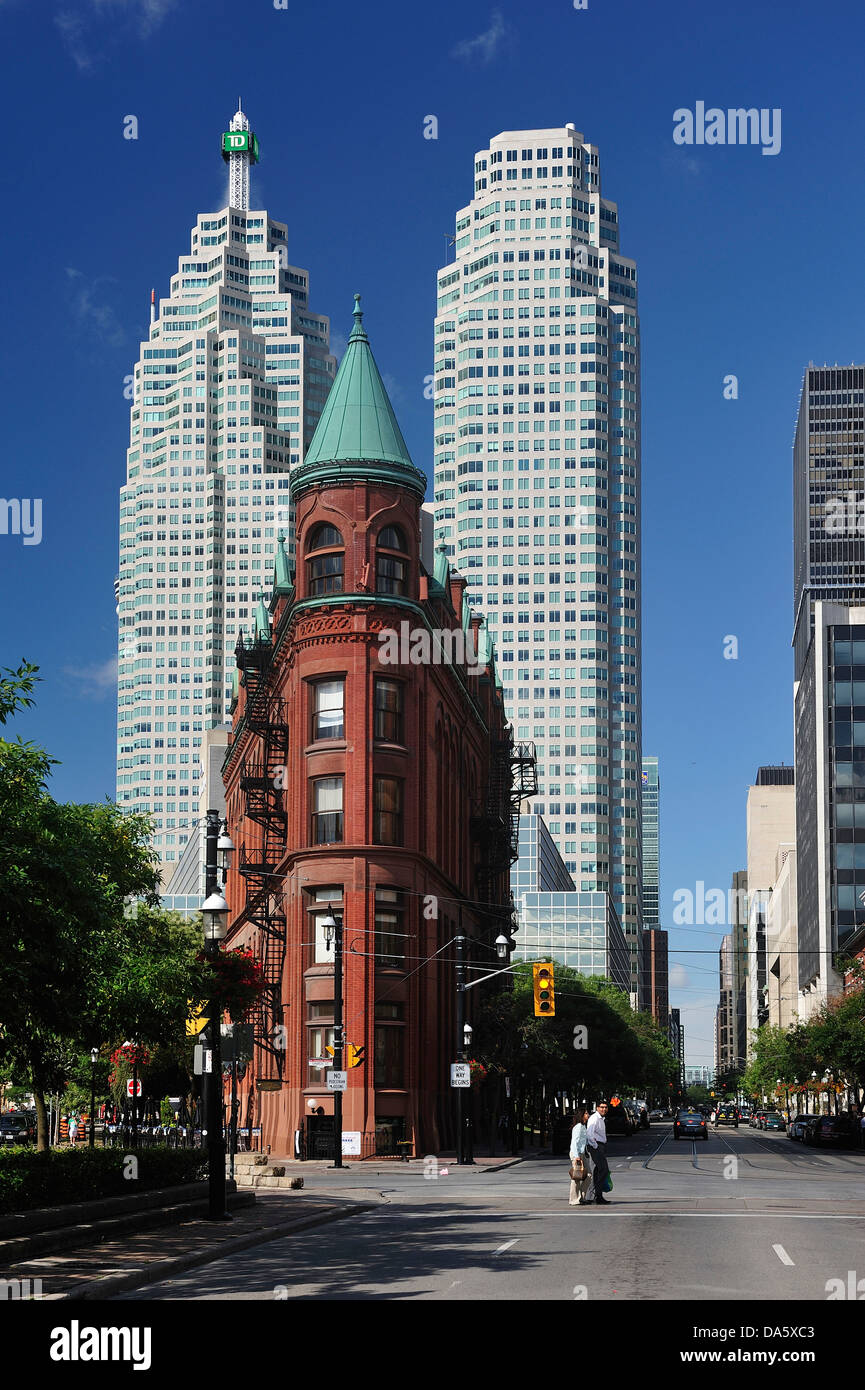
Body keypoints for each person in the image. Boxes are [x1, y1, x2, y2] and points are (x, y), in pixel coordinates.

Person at [587, 1101, 611, 1205]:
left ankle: (596, 1196)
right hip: (596, 1146)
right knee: (603, 1170)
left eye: (605, 1107)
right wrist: (595, 1145)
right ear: (597, 1108)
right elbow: (589, 1133)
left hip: (600, 1146)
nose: (604, 1109)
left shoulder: (601, 1119)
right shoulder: (594, 1118)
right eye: (601, 1107)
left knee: (597, 1171)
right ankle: (596, 1195)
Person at [568, 1107, 593, 1205]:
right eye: (586, 1113)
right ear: (581, 1115)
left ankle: (581, 1197)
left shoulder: (583, 1126)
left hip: (582, 1153)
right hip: (576, 1154)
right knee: (577, 1177)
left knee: (589, 1175)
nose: (588, 1115)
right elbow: (574, 1142)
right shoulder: (578, 1127)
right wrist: (576, 1156)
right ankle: (573, 1199)